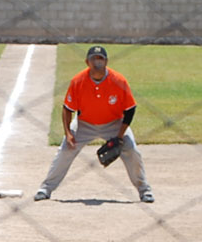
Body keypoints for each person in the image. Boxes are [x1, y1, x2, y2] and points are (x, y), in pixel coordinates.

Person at [34, 45, 155, 203]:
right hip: (85, 124)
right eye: (93, 59)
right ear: (87, 62)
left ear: (106, 61)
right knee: (65, 150)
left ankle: (144, 190)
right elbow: (67, 109)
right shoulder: (78, 81)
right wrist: (68, 134)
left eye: (100, 59)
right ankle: (46, 188)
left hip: (114, 123)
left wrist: (119, 136)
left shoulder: (118, 81)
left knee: (131, 150)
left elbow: (130, 110)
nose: (97, 62)